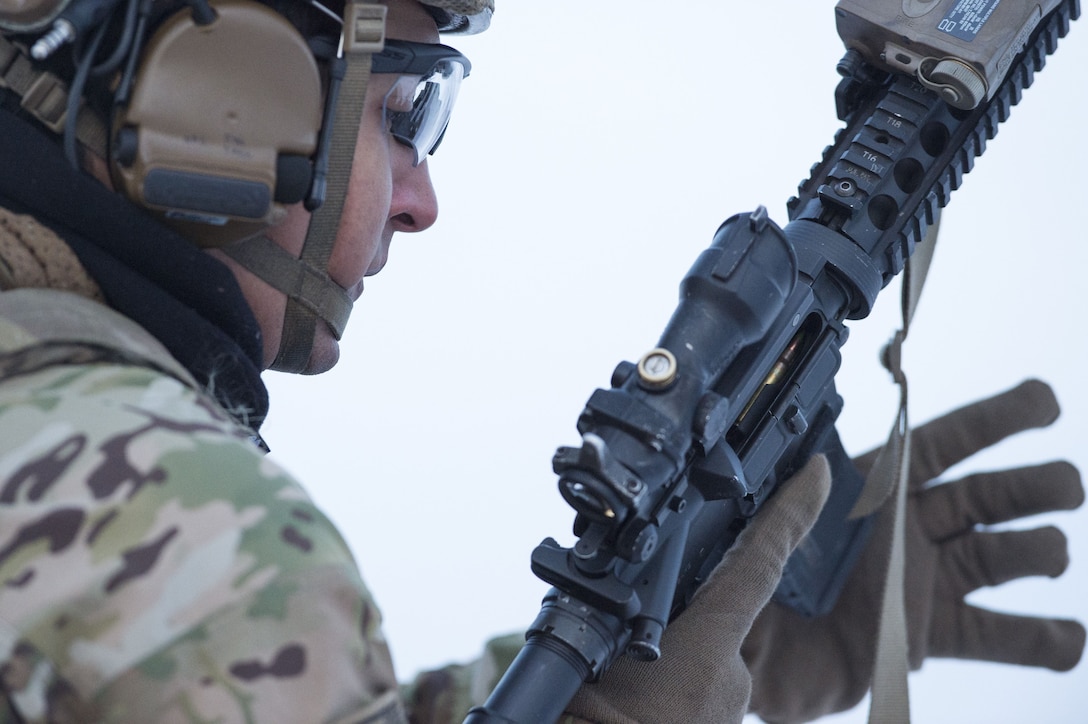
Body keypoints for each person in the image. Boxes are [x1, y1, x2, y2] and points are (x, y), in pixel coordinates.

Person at [0, 1, 1082, 723]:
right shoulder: (176, 516)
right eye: (402, 112)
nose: (421, 201)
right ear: (222, 100)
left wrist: (653, 662)